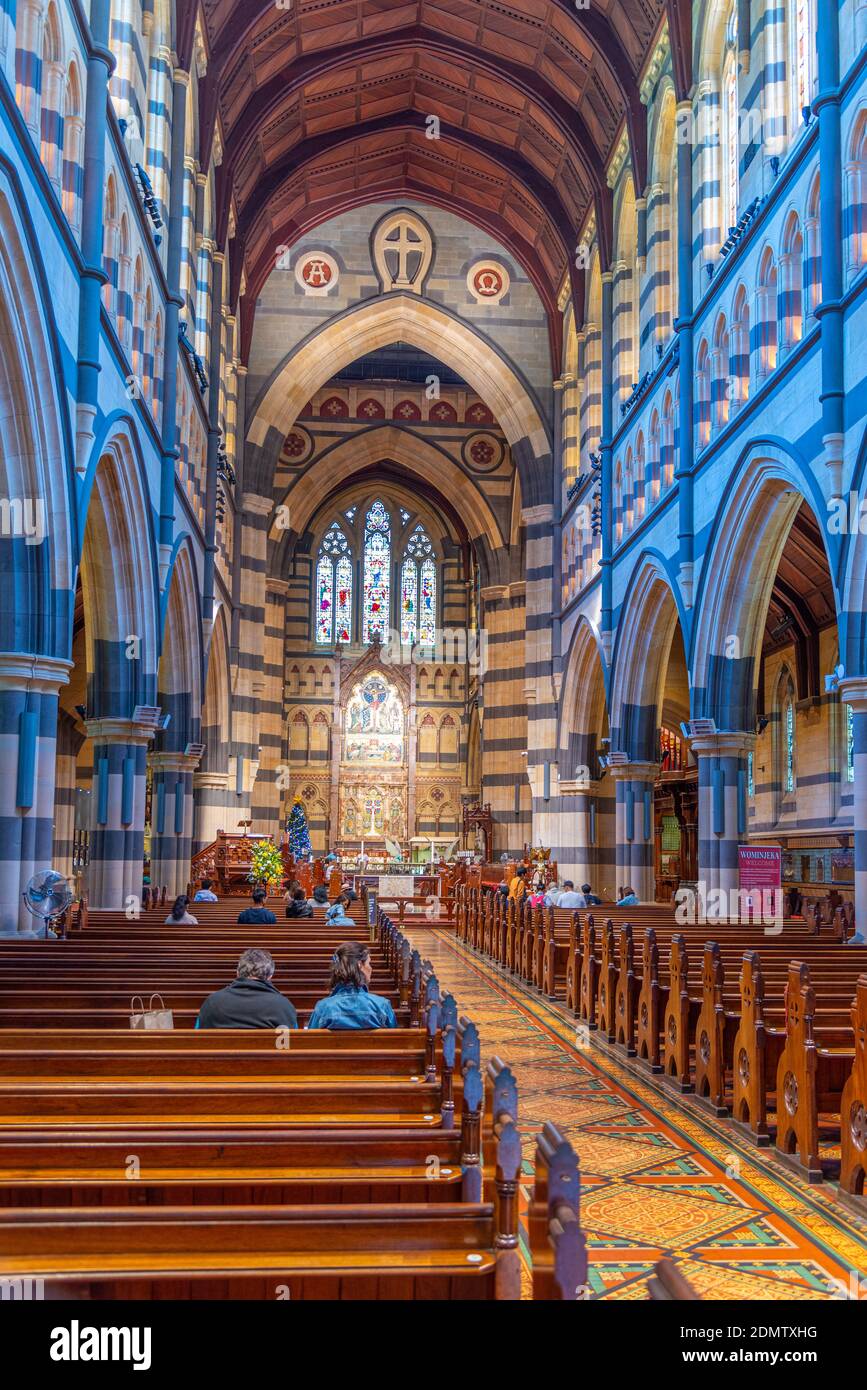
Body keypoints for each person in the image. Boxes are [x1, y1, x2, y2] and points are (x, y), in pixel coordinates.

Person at [196, 949, 298, 1030]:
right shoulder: (283, 1006)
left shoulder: (213, 1002)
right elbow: (289, 1045)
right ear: (270, 976)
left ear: (238, 973)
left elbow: (198, 1039)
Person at [307, 941, 397, 1030]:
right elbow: (396, 1042)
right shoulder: (382, 1006)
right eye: (369, 963)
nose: (371, 968)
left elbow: (309, 1042)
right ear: (360, 965)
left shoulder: (323, 1008)